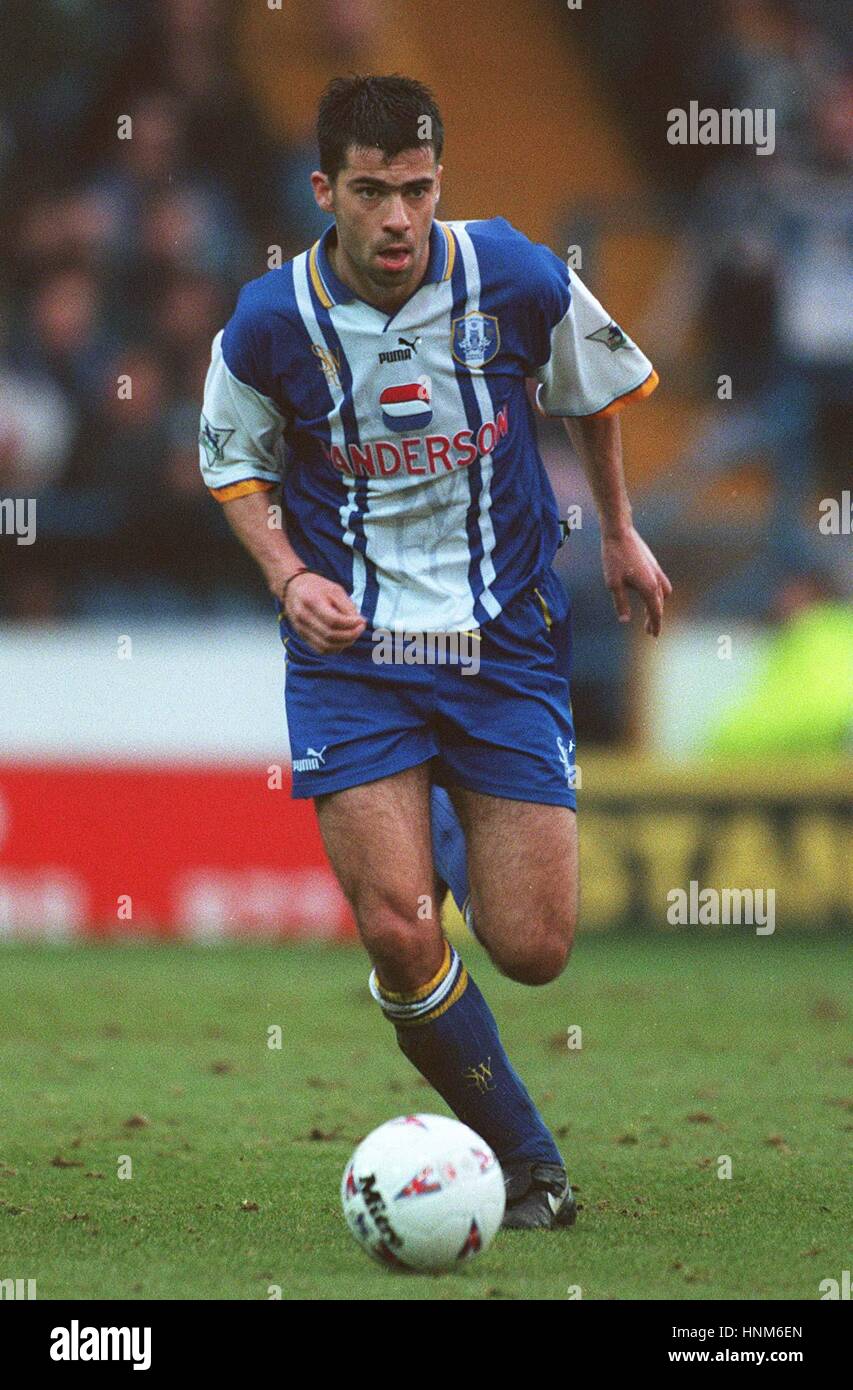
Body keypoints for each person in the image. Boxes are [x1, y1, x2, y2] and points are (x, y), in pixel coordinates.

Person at [199, 75, 671, 1230]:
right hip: (352, 656)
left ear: (438, 184)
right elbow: (231, 461)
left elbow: (594, 383)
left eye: (415, 190)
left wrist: (614, 527)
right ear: (326, 192)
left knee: (534, 947)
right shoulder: (269, 323)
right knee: (402, 930)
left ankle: (439, 817)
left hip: (502, 642)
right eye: (371, 193)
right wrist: (287, 573)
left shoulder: (510, 273)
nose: (397, 218)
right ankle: (526, 1161)